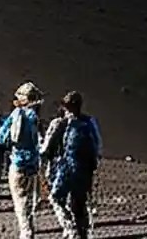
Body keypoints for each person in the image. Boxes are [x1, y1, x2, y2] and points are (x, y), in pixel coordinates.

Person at [41, 91, 103, 239]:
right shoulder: (89, 122)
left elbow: (47, 147)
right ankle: (82, 232)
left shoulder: (61, 123)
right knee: (79, 202)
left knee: (56, 197)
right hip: (84, 170)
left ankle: (71, 227)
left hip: (65, 168)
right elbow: (97, 145)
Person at [0, 82, 45, 239]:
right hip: (34, 163)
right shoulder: (35, 118)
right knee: (30, 198)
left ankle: (26, 232)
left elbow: (3, 139)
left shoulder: (16, 115)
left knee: (20, 200)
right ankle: (29, 227)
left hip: (18, 162)